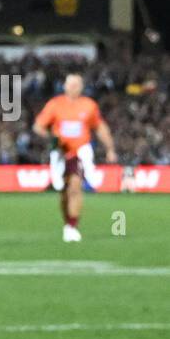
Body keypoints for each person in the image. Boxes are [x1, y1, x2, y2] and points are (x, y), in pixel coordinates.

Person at [32, 73, 117, 242]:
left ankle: (72, 226)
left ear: (81, 87)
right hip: (60, 153)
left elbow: (100, 128)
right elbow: (38, 126)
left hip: (80, 151)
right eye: (70, 84)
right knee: (64, 191)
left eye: (76, 84)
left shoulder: (89, 105)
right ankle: (68, 223)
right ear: (64, 86)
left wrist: (110, 149)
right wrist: (52, 138)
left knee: (75, 186)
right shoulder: (55, 104)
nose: (73, 88)